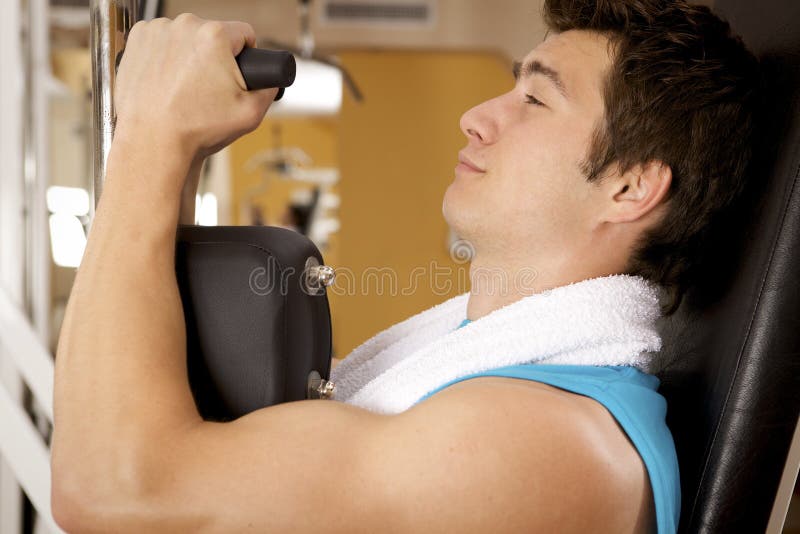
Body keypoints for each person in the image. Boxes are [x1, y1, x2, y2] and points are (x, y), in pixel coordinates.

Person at [50, 1, 759, 532]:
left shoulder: (545, 443)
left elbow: (117, 494)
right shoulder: (483, 391)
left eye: (535, 99)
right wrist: (176, 149)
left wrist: (151, 135)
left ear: (631, 186)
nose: (478, 117)